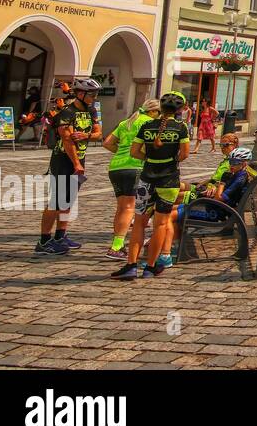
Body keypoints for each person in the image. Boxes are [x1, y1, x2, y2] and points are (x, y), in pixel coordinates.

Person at [35, 78, 102, 256]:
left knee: (69, 200)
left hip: (79, 158)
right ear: (80, 94)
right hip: (63, 160)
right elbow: (66, 140)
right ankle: (43, 241)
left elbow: (98, 134)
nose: (94, 97)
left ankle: (60, 236)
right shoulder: (67, 113)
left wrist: (86, 135)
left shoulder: (91, 110)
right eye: (92, 94)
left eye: (96, 94)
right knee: (56, 201)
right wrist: (77, 163)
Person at [130, 91, 191, 278]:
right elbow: (184, 154)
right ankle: (150, 267)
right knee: (161, 224)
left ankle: (131, 265)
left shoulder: (147, 126)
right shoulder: (181, 127)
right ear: (179, 109)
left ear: (161, 108)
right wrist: (170, 160)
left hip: (147, 178)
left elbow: (134, 152)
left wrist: (149, 157)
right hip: (169, 179)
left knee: (139, 223)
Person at [101, 97, 160, 259]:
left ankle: (117, 242)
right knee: (128, 208)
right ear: (153, 111)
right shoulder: (150, 123)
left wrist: (122, 152)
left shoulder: (126, 122)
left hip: (116, 167)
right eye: (159, 113)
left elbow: (107, 143)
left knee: (121, 208)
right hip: (135, 167)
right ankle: (117, 246)